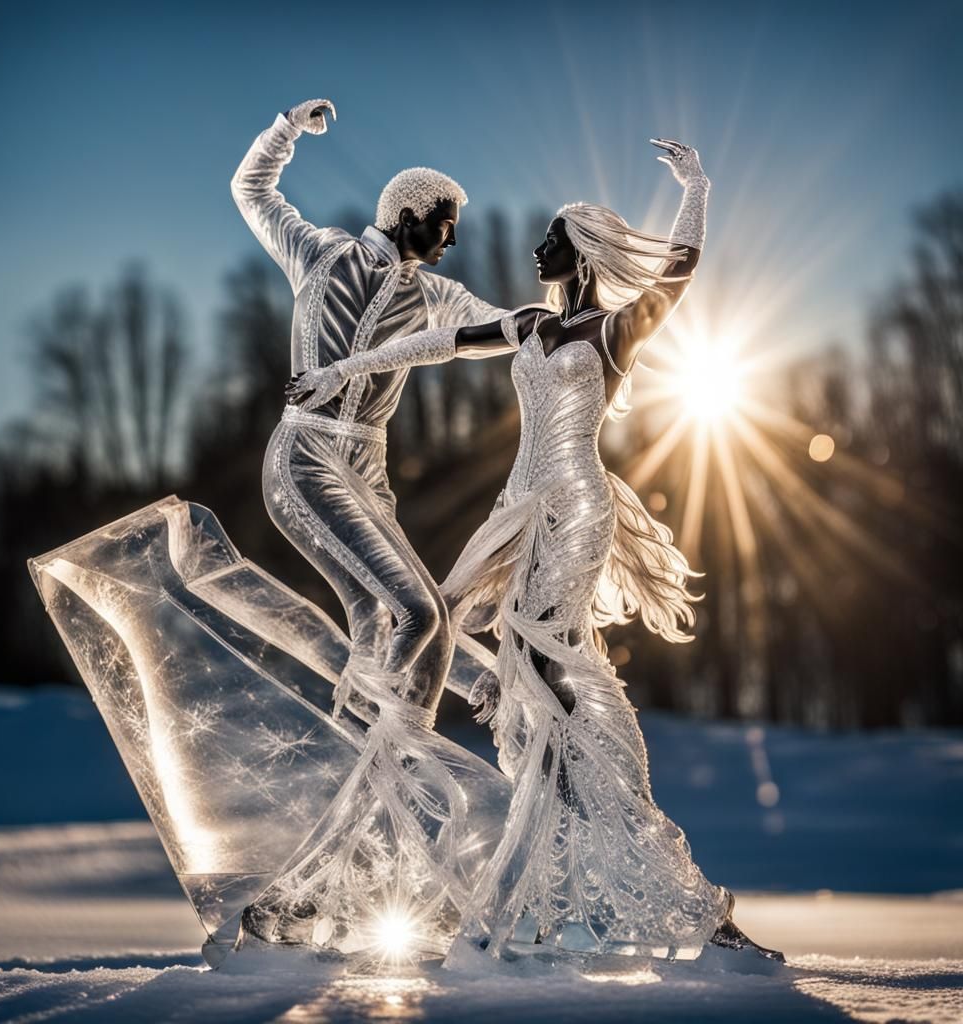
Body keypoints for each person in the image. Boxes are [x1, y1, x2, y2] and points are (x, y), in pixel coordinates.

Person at [289, 139, 784, 963]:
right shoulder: (527, 323)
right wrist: (344, 369)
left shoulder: (615, 329)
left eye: (549, 237)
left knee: (548, 668)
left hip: (578, 507)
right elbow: (434, 348)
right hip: (518, 510)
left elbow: (682, 269)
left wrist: (695, 185)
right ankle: (569, 839)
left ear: (580, 249)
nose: (534, 249)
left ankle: (586, 855)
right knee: (493, 651)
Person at [231, 98, 509, 953]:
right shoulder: (319, 255)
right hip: (309, 462)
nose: (454, 239)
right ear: (409, 215)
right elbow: (251, 188)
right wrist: (287, 127)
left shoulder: (437, 293)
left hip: (369, 477)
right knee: (419, 614)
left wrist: (574, 320)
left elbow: (494, 329)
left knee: (401, 624)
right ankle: (407, 762)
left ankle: (328, 867)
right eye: (447, 224)